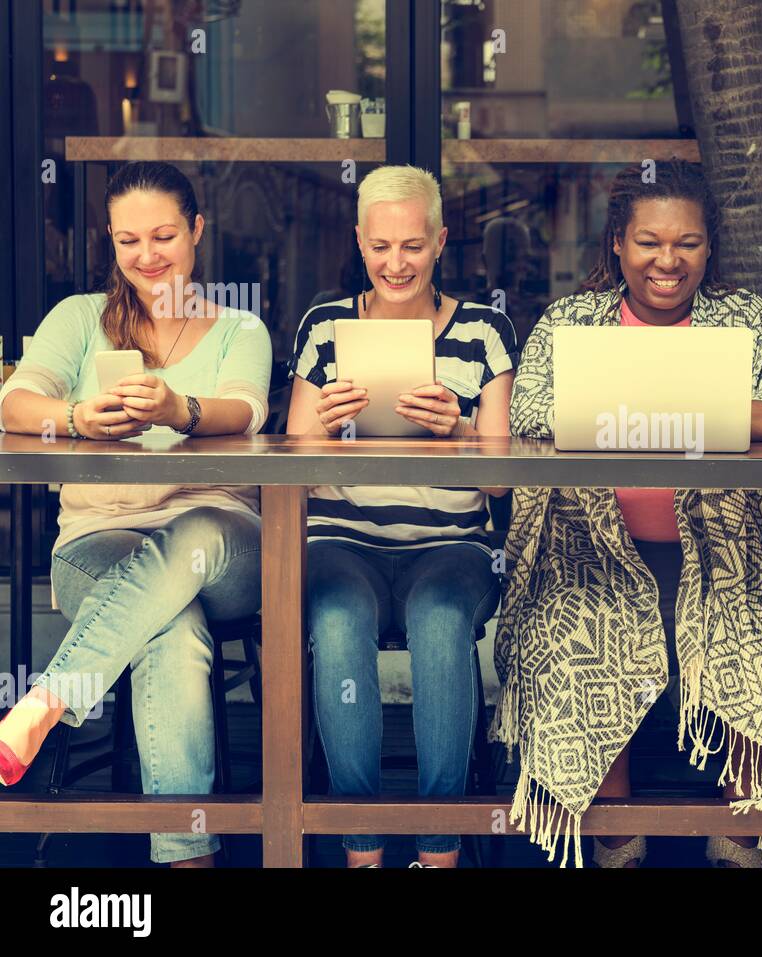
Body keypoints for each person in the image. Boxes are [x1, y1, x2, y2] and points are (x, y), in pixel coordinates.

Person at [493, 159, 762, 867]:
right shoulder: (572, 321)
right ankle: (619, 842)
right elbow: (530, 413)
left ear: (709, 248)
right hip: (592, 552)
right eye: (650, 241)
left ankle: (739, 842)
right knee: (571, 636)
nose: (668, 259)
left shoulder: (746, 320)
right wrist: (695, 409)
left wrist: (646, 406)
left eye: (688, 242)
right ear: (618, 241)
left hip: (729, 553)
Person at [0, 161, 271, 867]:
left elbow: (245, 410)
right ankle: (188, 857)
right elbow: (13, 403)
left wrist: (181, 410)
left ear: (197, 231)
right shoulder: (78, 318)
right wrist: (77, 416)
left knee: (196, 534)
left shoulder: (240, 326)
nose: (147, 256)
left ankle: (51, 698)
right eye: (128, 240)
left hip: (224, 545)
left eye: (164, 236)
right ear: (110, 241)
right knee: (171, 630)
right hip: (101, 540)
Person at [286, 165, 516, 869]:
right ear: (360, 242)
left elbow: (501, 486)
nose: (396, 263)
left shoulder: (484, 330)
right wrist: (323, 428)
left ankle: (438, 852)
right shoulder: (325, 325)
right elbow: (297, 475)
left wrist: (463, 429)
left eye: (412, 246)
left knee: (442, 619)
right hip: (342, 539)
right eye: (381, 246)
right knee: (334, 618)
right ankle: (364, 850)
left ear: (441, 241)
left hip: (449, 543)